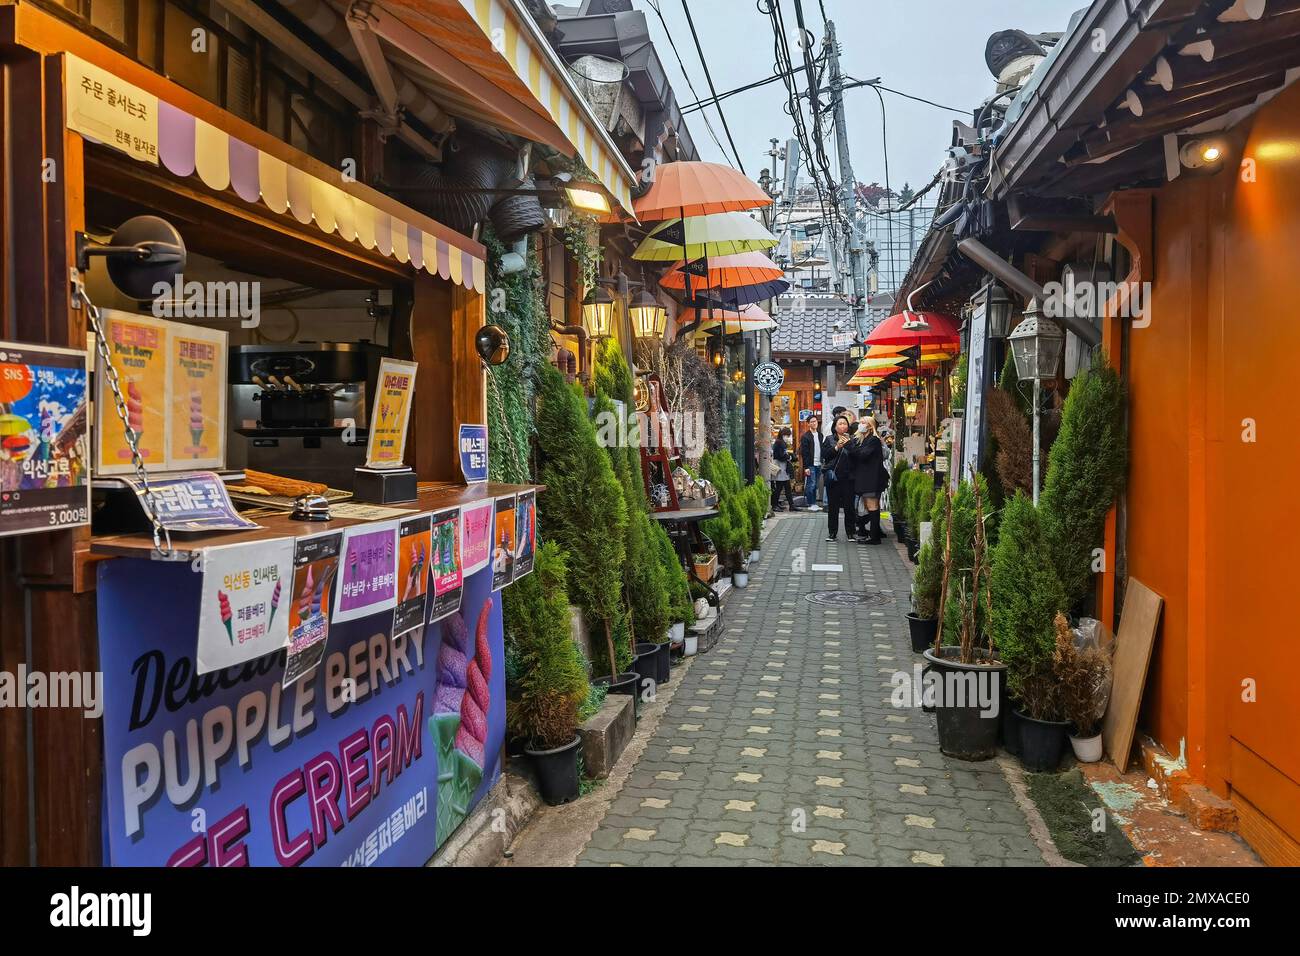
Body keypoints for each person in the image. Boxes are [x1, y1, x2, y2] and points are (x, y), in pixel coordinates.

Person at [849, 416, 886, 544]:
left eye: (863, 423)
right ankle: (874, 534)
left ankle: (874, 537)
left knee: (872, 506)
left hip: (872, 478)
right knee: (869, 505)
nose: (860, 425)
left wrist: (850, 446)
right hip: (867, 478)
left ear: (870, 426)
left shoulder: (873, 440)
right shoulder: (864, 439)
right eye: (860, 422)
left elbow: (863, 455)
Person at [822, 415, 856, 540]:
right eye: (840, 424)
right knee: (833, 506)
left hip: (849, 477)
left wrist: (848, 445)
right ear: (835, 427)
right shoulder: (829, 439)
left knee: (849, 506)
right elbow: (825, 455)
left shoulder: (853, 439)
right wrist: (837, 447)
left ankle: (851, 532)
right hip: (834, 477)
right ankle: (832, 532)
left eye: (845, 424)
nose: (843, 426)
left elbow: (856, 456)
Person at [799, 414, 823, 512]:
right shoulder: (806, 436)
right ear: (808, 424)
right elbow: (804, 453)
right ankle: (811, 503)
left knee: (815, 484)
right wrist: (806, 467)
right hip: (810, 464)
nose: (814, 423)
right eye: (812, 422)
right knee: (811, 484)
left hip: (819, 463)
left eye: (815, 421)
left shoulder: (820, 435)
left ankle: (814, 503)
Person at [770, 426, 797, 512]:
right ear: (784, 434)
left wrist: (788, 455)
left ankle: (788, 505)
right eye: (787, 435)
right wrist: (789, 456)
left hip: (782, 467)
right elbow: (780, 456)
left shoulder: (779, 442)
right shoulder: (780, 442)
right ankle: (775, 505)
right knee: (780, 487)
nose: (788, 437)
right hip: (780, 467)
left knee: (785, 487)